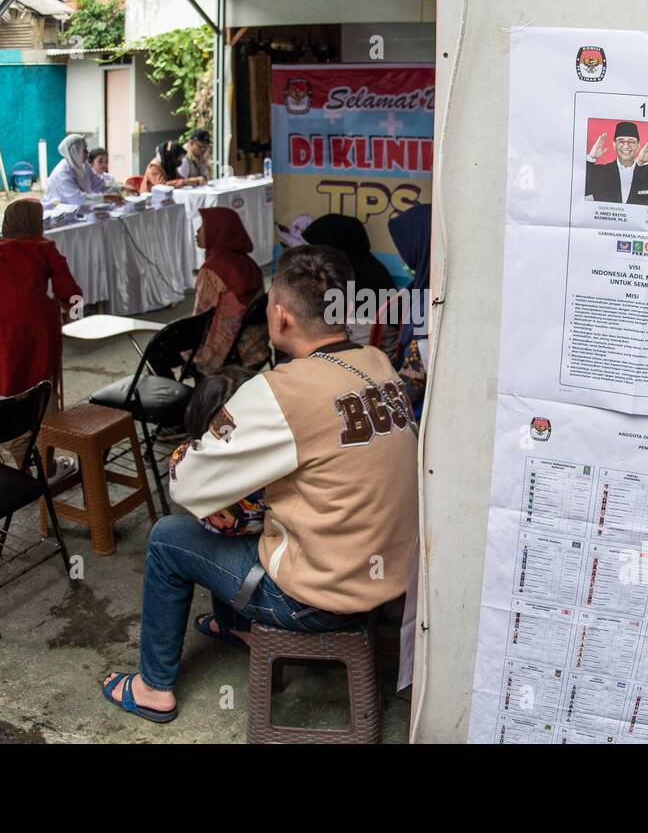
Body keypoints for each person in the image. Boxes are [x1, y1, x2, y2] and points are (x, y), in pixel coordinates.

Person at [100, 245, 419, 724]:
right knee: (258, 506)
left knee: (169, 537)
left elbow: (186, 486)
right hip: (394, 577)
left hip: (317, 600)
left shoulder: (279, 391)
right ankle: (236, 625)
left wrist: (195, 445)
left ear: (282, 316)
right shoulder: (376, 361)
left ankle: (152, 687)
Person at [0, 199, 82, 412]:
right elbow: (70, 294)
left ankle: (9, 434)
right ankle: (42, 433)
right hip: (38, 325)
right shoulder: (45, 248)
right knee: (39, 380)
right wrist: (73, 313)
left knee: (3, 376)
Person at [183, 366, 266, 538]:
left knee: (164, 531)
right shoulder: (276, 452)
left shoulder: (190, 462)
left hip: (255, 543)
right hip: (272, 536)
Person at [303, 213, 399, 355]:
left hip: (369, 350)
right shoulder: (368, 265)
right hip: (382, 345)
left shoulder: (352, 275)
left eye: (317, 248)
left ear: (334, 247)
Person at [192, 207, 269, 375]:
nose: (197, 232)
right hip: (256, 346)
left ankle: (188, 398)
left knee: (159, 351)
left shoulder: (213, 270)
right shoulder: (248, 263)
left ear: (218, 231)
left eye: (203, 226)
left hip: (228, 353)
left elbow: (200, 319)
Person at [383, 203, 432, 416]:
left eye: (401, 248)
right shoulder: (418, 288)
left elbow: (410, 387)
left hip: (419, 422)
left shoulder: (428, 304)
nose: (400, 255)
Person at [584, 121, 646, 204]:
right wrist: (591, 157)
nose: (626, 146)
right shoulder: (599, 173)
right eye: (621, 141)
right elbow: (577, 188)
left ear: (638, 146)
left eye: (631, 141)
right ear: (614, 145)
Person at [42, 134, 98, 209]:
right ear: (75, 151)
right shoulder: (62, 173)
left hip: (75, 211)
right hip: (56, 214)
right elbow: (78, 199)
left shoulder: (83, 166)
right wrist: (104, 198)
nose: (88, 153)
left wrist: (112, 190)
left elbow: (98, 182)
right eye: (84, 150)